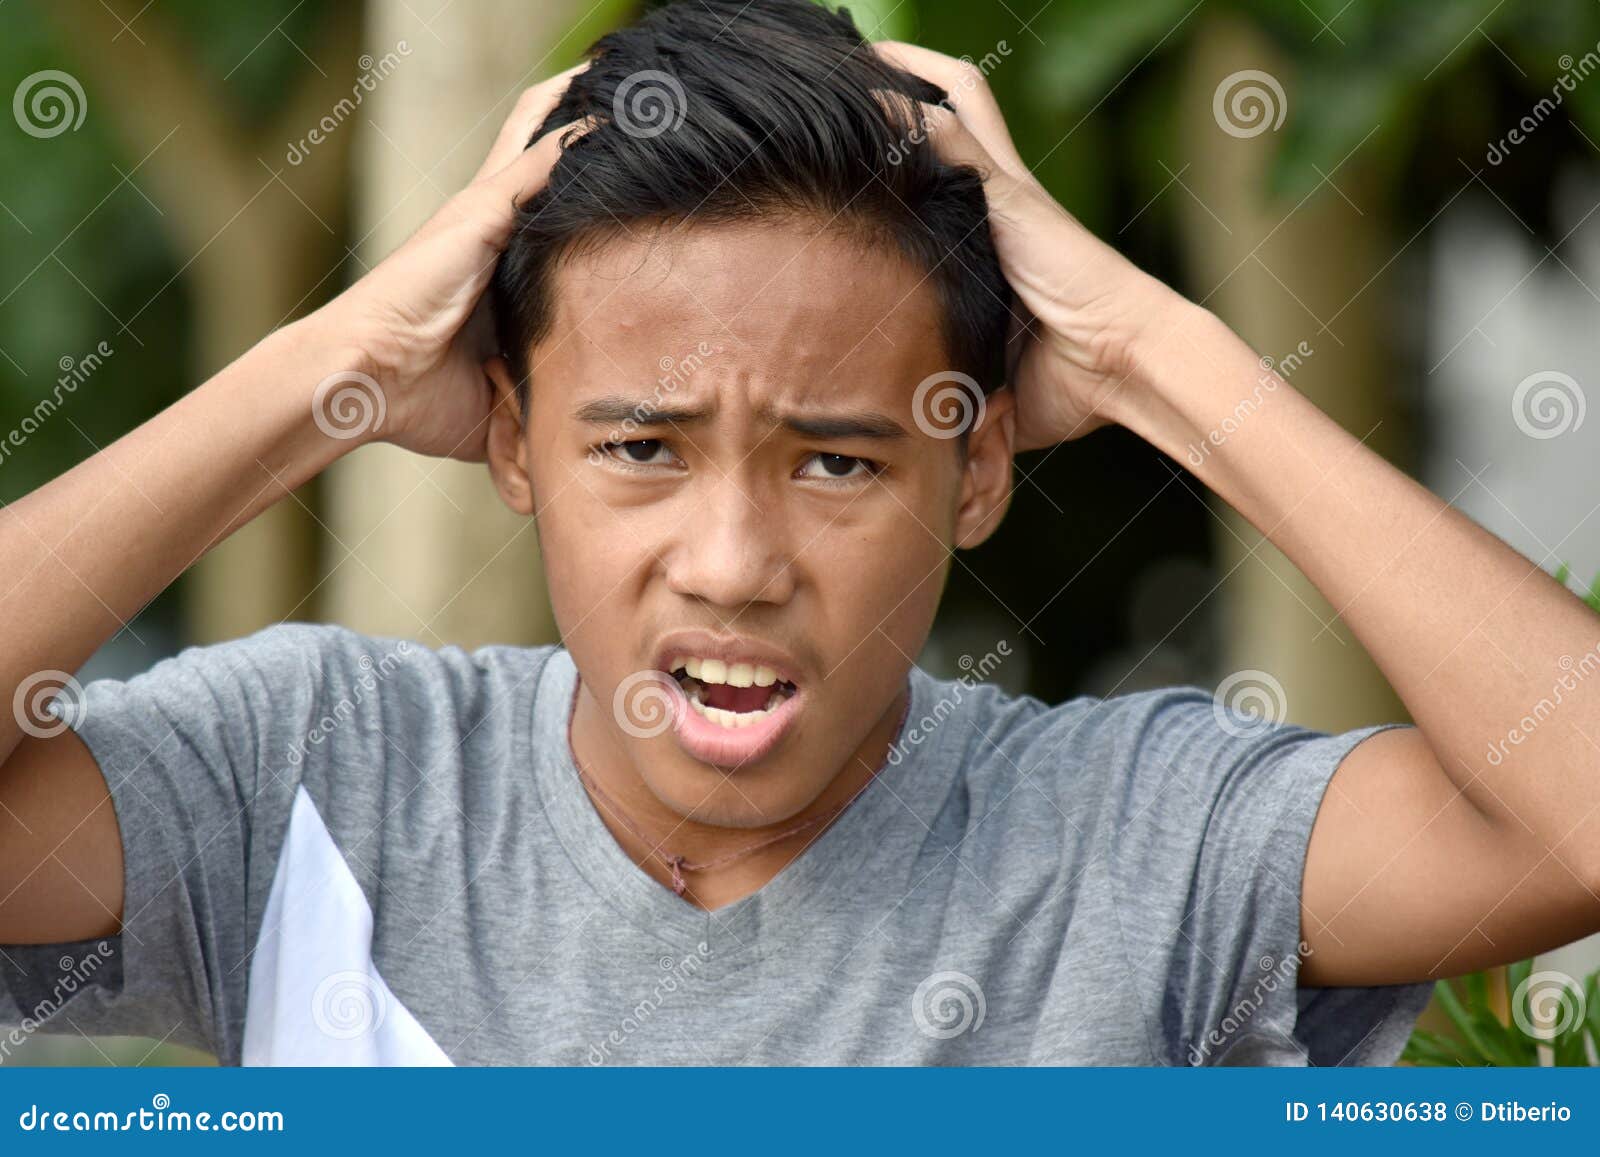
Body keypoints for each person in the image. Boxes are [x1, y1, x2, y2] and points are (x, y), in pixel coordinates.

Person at [2, 0, 1596, 1067]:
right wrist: (322, 373)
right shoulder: (316, 779)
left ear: (974, 476)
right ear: (509, 441)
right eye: (639, 446)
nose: (733, 559)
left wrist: (1149, 357)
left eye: (837, 462)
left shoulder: (1140, 845)